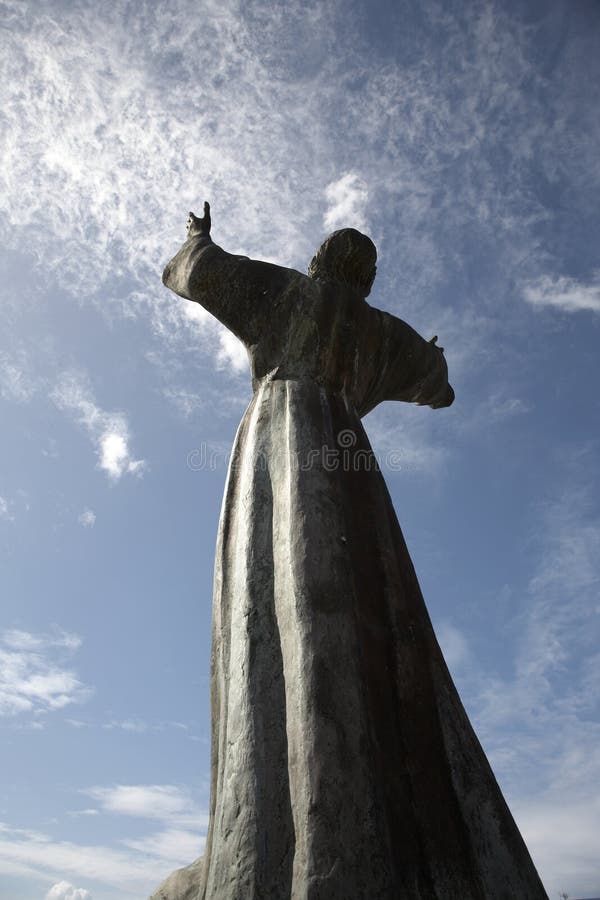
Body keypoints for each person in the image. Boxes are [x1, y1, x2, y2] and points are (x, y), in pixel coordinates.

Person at [154, 204, 547, 900]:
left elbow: (197, 274)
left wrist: (196, 236)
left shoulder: (288, 293)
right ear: (365, 279)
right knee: (371, 600)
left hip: (277, 438)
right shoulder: (380, 332)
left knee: (279, 602)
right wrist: (432, 355)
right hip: (345, 454)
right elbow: (439, 387)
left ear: (318, 262)